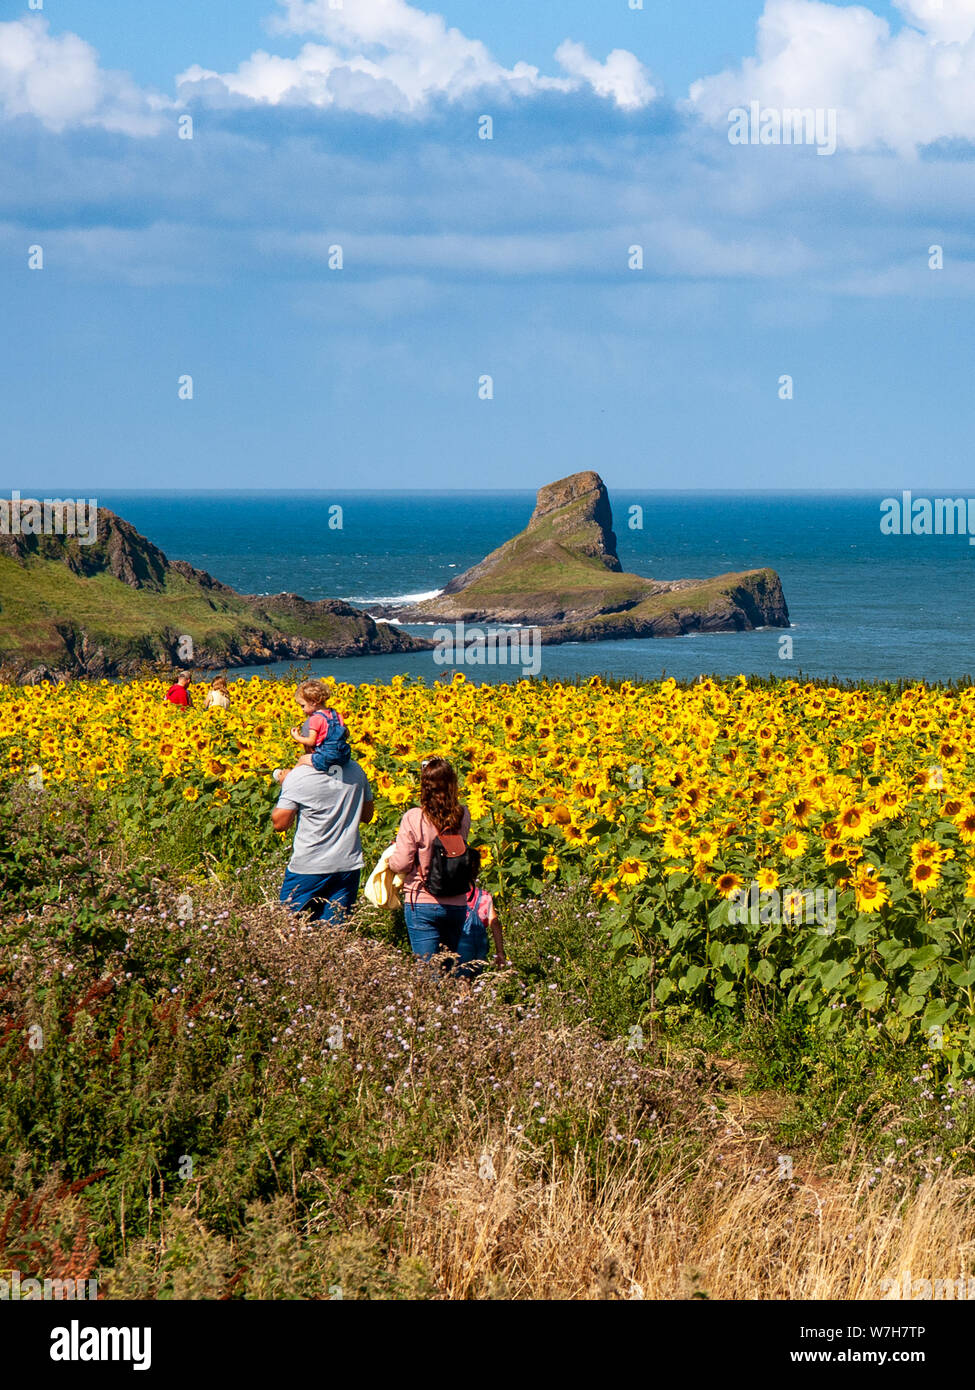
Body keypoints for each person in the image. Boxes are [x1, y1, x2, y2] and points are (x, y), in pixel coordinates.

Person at [387, 758, 480, 967]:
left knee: (428, 974)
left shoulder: (414, 817)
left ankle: (435, 1001)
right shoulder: (463, 815)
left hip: (422, 901)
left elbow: (401, 864)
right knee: (447, 969)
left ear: (424, 787)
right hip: (456, 901)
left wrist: (391, 856)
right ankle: (451, 1000)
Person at [271, 755, 374, 924]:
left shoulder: (299, 775)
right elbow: (367, 815)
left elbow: (280, 823)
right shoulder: (356, 769)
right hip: (347, 865)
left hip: (308, 867)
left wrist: (287, 784)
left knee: (286, 927)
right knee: (333, 936)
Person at [273, 680, 351, 784]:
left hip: (327, 758)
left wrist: (296, 736)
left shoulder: (315, 719)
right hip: (343, 755)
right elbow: (346, 734)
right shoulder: (336, 715)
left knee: (302, 759)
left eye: (303, 705)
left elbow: (311, 742)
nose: (302, 709)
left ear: (313, 702)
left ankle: (288, 781)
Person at [458, 883, 506, 979]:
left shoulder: (455, 896)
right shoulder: (484, 895)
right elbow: (494, 923)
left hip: (460, 945)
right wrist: (500, 951)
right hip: (480, 946)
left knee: (461, 980)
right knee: (477, 978)